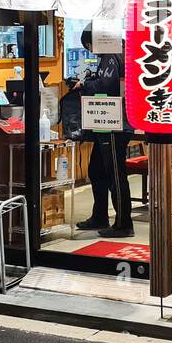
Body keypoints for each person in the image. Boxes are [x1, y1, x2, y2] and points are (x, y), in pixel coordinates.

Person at [67, 27, 133, 237]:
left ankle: (123, 224)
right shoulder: (119, 50)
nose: (91, 51)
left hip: (115, 123)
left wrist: (84, 83)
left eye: (89, 46)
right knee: (97, 170)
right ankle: (100, 216)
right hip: (110, 121)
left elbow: (107, 84)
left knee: (115, 173)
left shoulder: (112, 54)